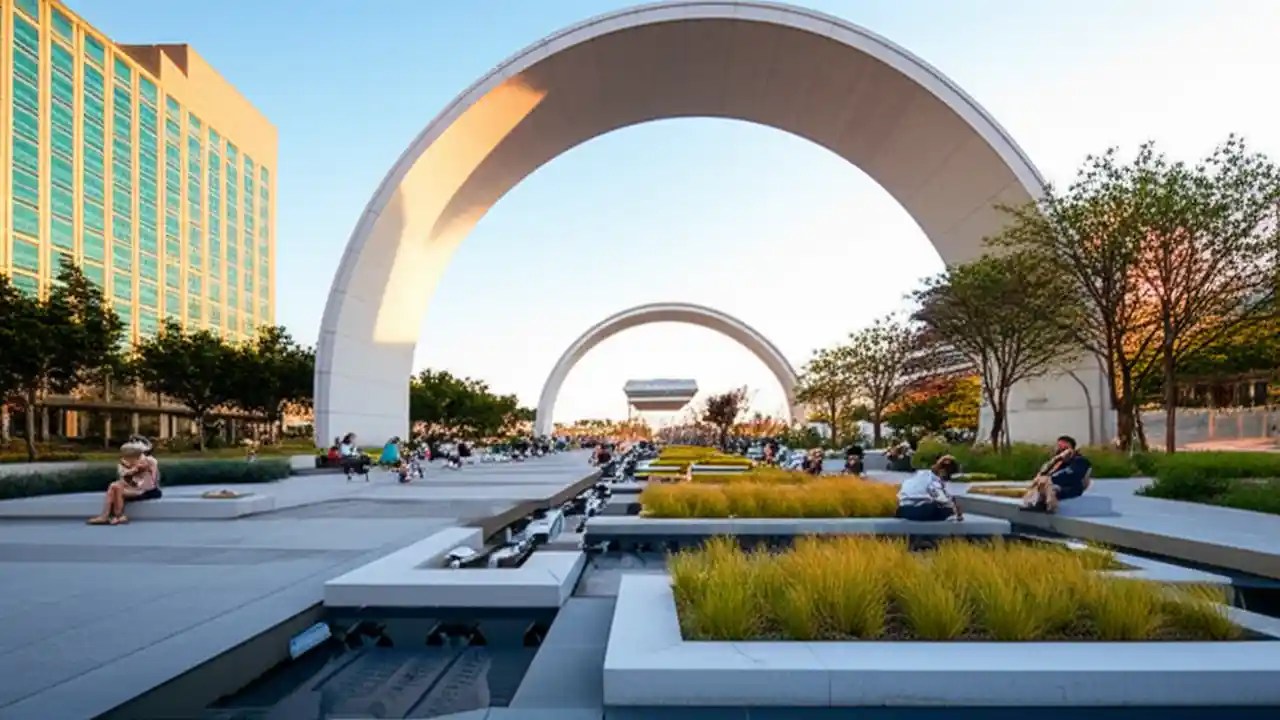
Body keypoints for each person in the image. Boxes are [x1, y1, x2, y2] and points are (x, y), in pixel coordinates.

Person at [88, 440, 161, 525]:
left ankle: (118, 515)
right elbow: (125, 478)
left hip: (148, 490)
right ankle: (105, 515)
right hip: (134, 488)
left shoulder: (149, 461)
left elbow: (139, 472)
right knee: (113, 486)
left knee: (118, 488)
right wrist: (127, 470)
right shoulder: (125, 463)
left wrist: (131, 469)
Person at [1021, 435, 1092, 513]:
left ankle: (1050, 507)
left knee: (1048, 483)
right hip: (1052, 486)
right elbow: (1042, 473)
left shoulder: (1080, 461)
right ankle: (1037, 503)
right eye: (1059, 449)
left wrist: (1050, 479)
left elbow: (1071, 475)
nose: (1062, 452)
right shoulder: (1058, 462)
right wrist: (1055, 460)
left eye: (1064, 449)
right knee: (1041, 483)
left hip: (1071, 488)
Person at [895, 455, 963, 522]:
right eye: (948, 478)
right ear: (942, 472)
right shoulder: (934, 480)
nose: (946, 481)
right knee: (946, 509)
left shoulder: (919, 474)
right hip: (919, 511)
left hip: (902, 511)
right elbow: (942, 499)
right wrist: (954, 510)